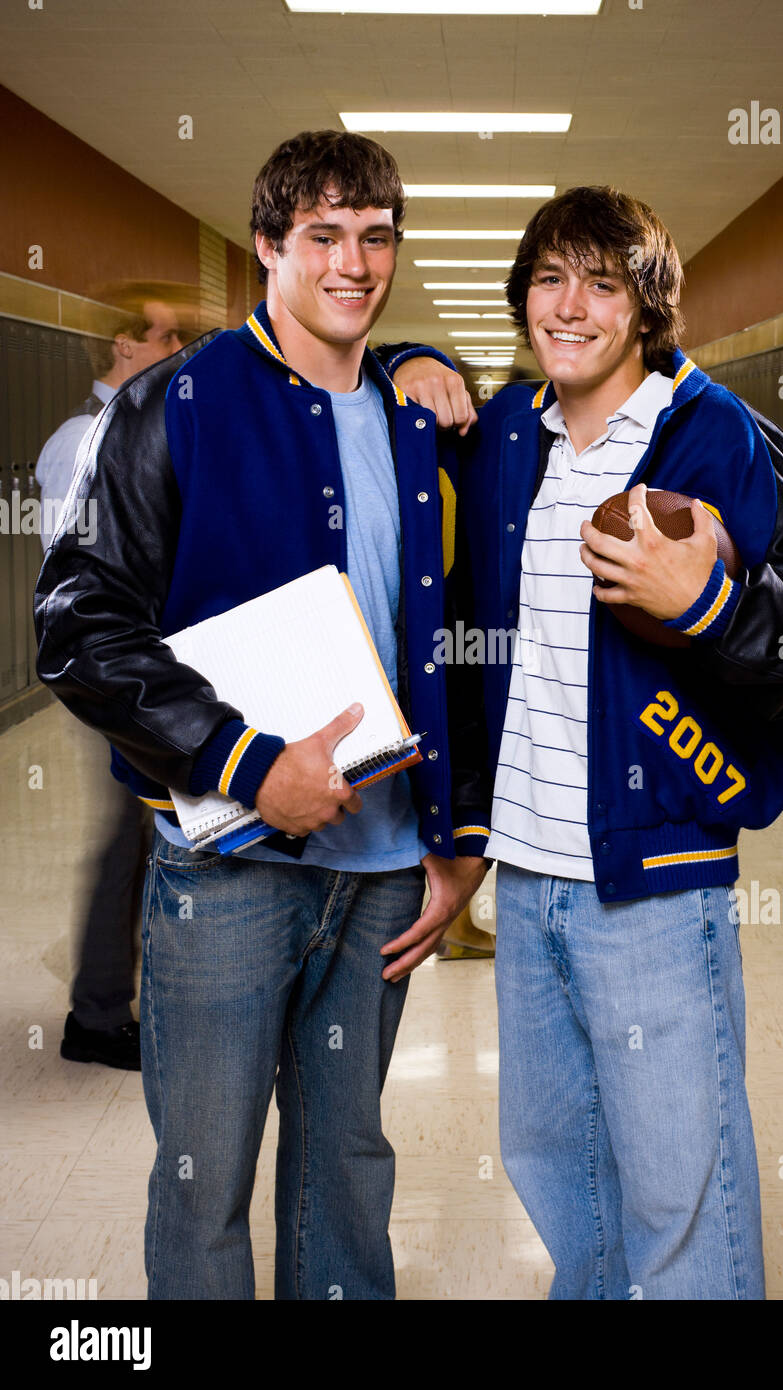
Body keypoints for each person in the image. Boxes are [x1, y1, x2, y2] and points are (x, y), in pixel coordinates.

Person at [34, 129, 491, 1300]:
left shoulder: (408, 408)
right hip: (229, 872)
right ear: (268, 247)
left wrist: (458, 842)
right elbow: (80, 627)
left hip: (384, 869)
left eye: (377, 237)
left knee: (346, 1165)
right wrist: (244, 760)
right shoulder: (175, 403)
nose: (353, 262)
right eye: (324, 236)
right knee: (204, 1180)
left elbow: (451, 638)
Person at [392, 185, 783, 1298]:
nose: (570, 306)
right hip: (532, 872)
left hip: (656, 875)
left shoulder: (720, 435)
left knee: (679, 1187)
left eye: (602, 284)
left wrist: (706, 602)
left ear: (646, 309)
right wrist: (411, 354)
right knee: (558, 1166)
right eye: (549, 280)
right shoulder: (511, 435)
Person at [36, 285, 188, 1070]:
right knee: (124, 843)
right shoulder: (83, 439)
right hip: (109, 677)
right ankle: (95, 1016)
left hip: (147, 671)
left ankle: (124, 994)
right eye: (164, 339)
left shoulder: (144, 425)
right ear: (122, 348)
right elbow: (83, 582)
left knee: (140, 835)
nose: (176, 354)